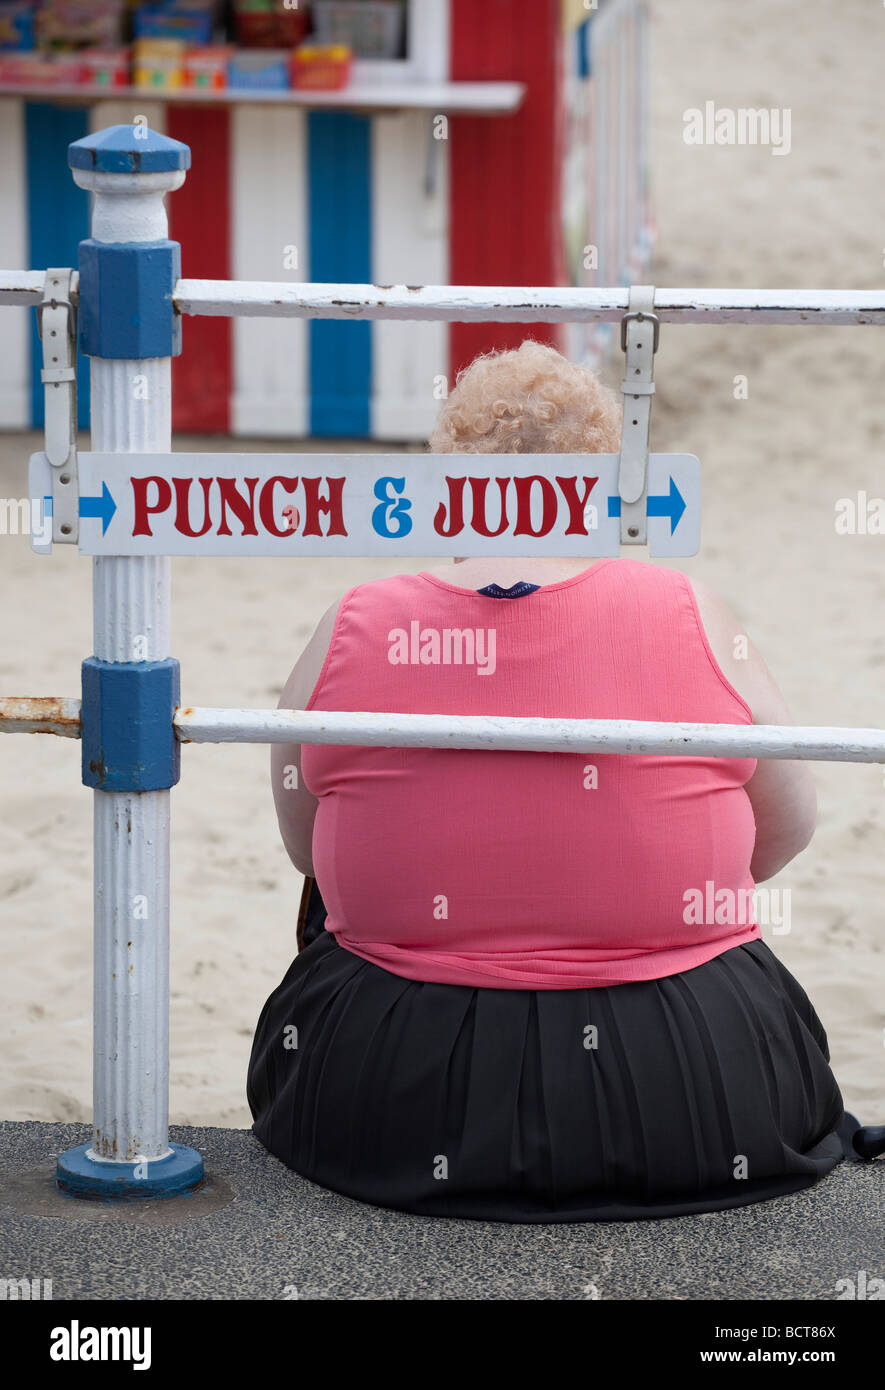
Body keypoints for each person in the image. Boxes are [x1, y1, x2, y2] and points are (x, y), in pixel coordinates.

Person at [247, 340, 847, 1222]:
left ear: (447, 484)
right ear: (602, 484)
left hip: (391, 1092)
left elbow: (306, 850)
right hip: (693, 1092)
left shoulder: (357, 622)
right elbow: (785, 830)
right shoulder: (686, 609)